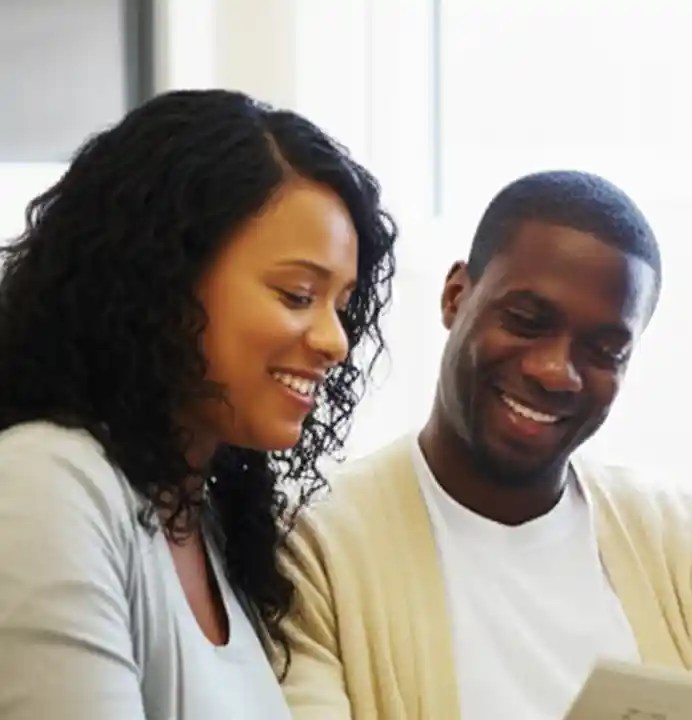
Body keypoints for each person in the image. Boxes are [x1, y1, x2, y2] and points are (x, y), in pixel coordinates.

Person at [278, 170, 692, 719]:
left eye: (603, 351)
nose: (556, 372)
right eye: (525, 321)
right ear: (455, 298)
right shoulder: (314, 550)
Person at [0, 89, 397, 719]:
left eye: (342, 307)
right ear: (161, 278)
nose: (335, 341)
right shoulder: (48, 483)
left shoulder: (211, 521)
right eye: (298, 295)